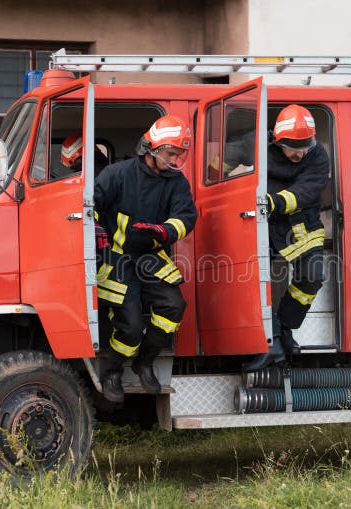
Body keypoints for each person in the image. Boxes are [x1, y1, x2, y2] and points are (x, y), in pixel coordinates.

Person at [93, 115, 198, 403]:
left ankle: (145, 362)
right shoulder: (117, 174)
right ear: (150, 149)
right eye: (171, 153)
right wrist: (98, 230)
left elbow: (186, 217)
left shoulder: (176, 182)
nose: (176, 160)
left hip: (152, 256)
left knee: (173, 307)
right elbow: (90, 207)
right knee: (130, 324)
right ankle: (112, 371)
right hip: (116, 258)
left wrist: (163, 231)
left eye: (179, 154)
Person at [244, 105, 330, 371]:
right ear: (276, 141)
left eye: (306, 145)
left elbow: (306, 192)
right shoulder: (255, 144)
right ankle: (272, 343)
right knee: (256, 285)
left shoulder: (318, 156)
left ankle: (285, 328)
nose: (301, 153)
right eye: (294, 147)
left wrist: (273, 202)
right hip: (263, 225)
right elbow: (220, 163)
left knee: (313, 276)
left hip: (301, 226)